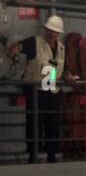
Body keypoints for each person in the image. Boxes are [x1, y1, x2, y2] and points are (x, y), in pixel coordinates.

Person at [7, 15, 67, 163]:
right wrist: (15, 49)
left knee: (53, 123)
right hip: (36, 91)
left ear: (59, 33)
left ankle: (51, 154)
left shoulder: (61, 48)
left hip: (53, 90)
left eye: (55, 31)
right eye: (50, 30)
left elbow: (63, 68)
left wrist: (69, 75)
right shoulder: (35, 42)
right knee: (35, 123)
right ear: (45, 29)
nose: (52, 33)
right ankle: (33, 154)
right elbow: (18, 47)